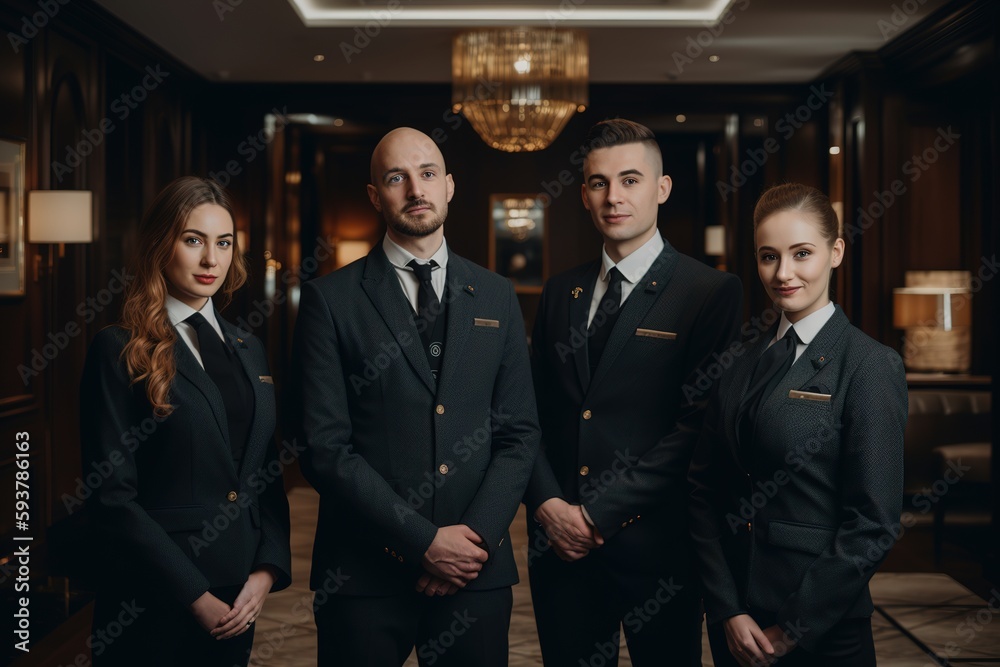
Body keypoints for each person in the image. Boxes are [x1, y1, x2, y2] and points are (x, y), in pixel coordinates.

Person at [291, 127, 540, 666]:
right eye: (396, 177)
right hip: (362, 573)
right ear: (375, 195)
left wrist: (470, 543)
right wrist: (424, 542)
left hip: (477, 572)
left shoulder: (497, 294)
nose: (415, 189)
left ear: (449, 186)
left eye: (427, 174)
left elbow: (519, 434)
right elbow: (324, 448)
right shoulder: (329, 301)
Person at [524, 118, 743, 666]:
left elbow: (697, 426)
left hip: (659, 547)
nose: (613, 197)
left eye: (630, 180)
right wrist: (550, 506)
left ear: (661, 188)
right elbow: (529, 415)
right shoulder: (559, 291)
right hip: (560, 547)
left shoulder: (708, 291)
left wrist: (595, 515)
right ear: (583, 195)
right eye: (599, 183)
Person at [688, 183, 907, 666]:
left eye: (801, 253)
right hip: (736, 626)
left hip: (819, 629)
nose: (783, 273)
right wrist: (726, 608)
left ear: (836, 252)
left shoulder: (869, 365)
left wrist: (790, 630)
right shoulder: (739, 361)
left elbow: (874, 523)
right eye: (769, 257)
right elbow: (704, 490)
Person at [79, 177, 292, 666]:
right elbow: (112, 497)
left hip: (239, 591)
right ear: (161, 245)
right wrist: (195, 595)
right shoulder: (118, 348)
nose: (210, 260)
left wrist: (266, 570)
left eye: (223, 243)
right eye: (193, 240)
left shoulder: (247, 346)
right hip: (154, 593)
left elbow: (264, 471)